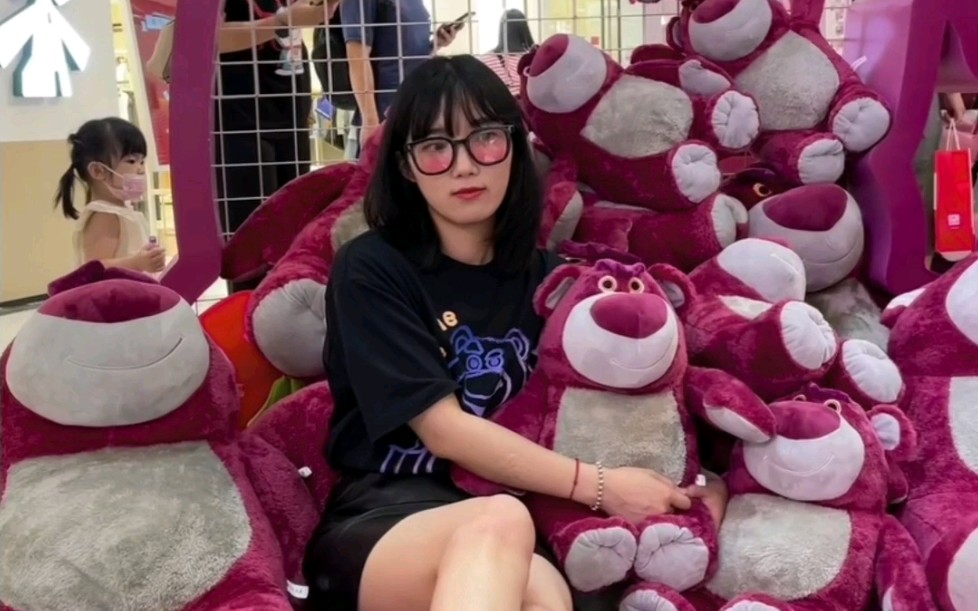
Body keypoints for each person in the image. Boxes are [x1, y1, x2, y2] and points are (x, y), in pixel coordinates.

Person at [302, 55, 729, 611]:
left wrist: (702, 487)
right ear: (406, 166)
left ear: (514, 145)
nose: (464, 166)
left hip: (524, 524)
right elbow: (445, 431)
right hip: (389, 519)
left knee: (543, 593)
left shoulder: (558, 283)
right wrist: (602, 487)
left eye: (484, 138)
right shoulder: (371, 269)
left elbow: (639, 401)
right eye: (435, 146)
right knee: (499, 523)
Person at [215, 0, 337, 290]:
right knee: (251, 253)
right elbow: (208, 40)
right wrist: (283, 21)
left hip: (291, 115)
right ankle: (246, 315)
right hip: (240, 118)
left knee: (293, 242)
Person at [341, 0, 459, 159]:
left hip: (418, 107)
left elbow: (408, 53)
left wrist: (435, 44)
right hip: (385, 110)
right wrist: (370, 120)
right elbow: (357, 57)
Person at [55, 117, 166, 274]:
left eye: (142, 162)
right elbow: (94, 270)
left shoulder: (122, 211)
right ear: (98, 171)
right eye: (131, 161)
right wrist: (137, 263)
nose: (141, 169)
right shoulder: (104, 214)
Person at [481, 9, 536, 97]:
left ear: (501, 30)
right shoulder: (533, 58)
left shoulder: (485, 59)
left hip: (499, 104)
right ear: (525, 29)